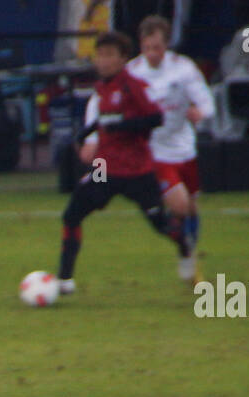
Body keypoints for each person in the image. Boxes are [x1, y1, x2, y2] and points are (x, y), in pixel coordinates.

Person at [56, 31, 191, 295]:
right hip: (104, 168)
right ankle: (64, 279)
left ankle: (184, 245)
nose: (103, 61)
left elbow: (155, 118)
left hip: (136, 170)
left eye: (109, 56)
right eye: (100, 55)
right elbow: (106, 119)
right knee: (72, 214)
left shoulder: (132, 85)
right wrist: (85, 133)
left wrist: (124, 127)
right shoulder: (102, 86)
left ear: (122, 59)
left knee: (160, 223)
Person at [126, 15, 214, 282]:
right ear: (141, 45)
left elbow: (207, 101)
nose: (152, 53)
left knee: (192, 208)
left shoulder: (183, 69)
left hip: (185, 146)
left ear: (167, 45)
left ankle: (188, 252)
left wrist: (201, 112)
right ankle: (186, 254)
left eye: (157, 47)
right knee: (179, 204)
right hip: (154, 150)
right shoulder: (131, 72)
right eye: (147, 47)